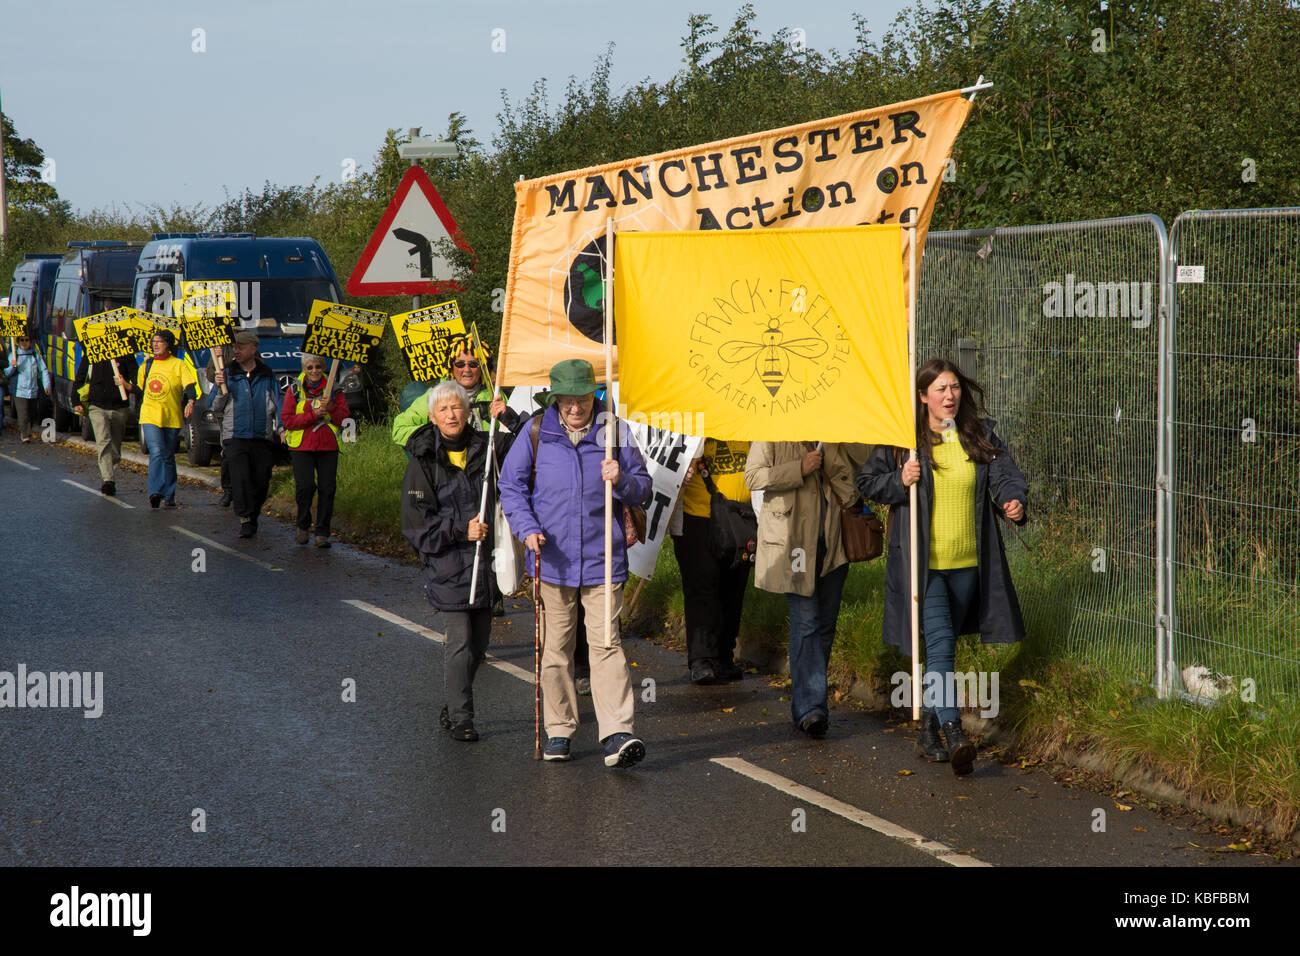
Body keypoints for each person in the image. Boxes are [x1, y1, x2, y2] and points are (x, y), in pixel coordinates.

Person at [857, 358, 1029, 776]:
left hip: (970, 565)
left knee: (943, 650)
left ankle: (928, 730)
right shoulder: (905, 442)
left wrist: (1014, 501)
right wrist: (900, 479)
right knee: (941, 648)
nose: (949, 396)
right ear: (923, 396)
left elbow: (1005, 474)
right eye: (940, 389)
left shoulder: (979, 433)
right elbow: (866, 483)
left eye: (954, 388)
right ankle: (955, 732)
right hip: (925, 566)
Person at [498, 359, 651, 767]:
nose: (574, 408)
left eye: (582, 399)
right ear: (555, 399)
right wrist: (526, 528)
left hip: (603, 561)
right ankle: (560, 730)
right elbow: (510, 486)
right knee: (556, 651)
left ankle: (618, 732)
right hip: (552, 561)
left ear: (593, 396)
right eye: (566, 400)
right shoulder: (536, 431)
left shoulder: (614, 431)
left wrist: (622, 479)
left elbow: (643, 488)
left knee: (606, 645)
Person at [401, 381, 505, 742]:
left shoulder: (487, 447)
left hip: (485, 564)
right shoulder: (423, 462)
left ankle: (453, 699)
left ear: (468, 412)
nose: (451, 415)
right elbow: (416, 526)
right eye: (443, 410)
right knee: (460, 642)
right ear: (432, 417)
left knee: (479, 643)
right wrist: (462, 530)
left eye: (457, 407)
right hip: (447, 565)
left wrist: (508, 416)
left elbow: (529, 446)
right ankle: (463, 718)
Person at [745, 439, 860, 738]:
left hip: (834, 542)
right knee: (806, 623)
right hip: (793, 546)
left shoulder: (835, 427)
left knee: (825, 626)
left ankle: (807, 698)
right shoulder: (771, 427)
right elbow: (754, 476)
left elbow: (862, 463)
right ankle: (812, 708)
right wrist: (799, 467)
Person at [674, 438, 753, 684]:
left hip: (740, 515)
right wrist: (682, 472)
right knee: (702, 585)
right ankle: (701, 659)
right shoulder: (691, 419)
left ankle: (723, 658)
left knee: (734, 587)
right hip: (696, 517)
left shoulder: (747, 415)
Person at [212, 331, 281, 538]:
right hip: (235, 435)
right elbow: (214, 407)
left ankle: (253, 512)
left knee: (261, 480)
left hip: (261, 436)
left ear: (253, 348)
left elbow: (279, 402)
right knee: (240, 478)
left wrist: (283, 428)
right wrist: (220, 388)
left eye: (241, 347)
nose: (236, 351)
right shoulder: (227, 373)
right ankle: (246, 519)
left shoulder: (267, 374)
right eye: (235, 347)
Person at [391, 337, 518, 450]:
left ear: (483, 368)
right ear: (451, 367)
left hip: (487, 466)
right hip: (448, 469)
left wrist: (506, 416)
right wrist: (438, 438)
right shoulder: (436, 396)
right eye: (460, 364)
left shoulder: (495, 396)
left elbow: (513, 434)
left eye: (474, 364)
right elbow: (399, 429)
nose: (467, 370)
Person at [281, 353, 349, 547]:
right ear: (304, 369)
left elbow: (344, 419)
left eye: (318, 367)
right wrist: (312, 415)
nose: (314, 371)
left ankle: (322, 533)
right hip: (301, 446)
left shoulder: (334, 389)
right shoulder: (294, 389)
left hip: (328, 446)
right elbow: (287, 420)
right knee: (306, 487)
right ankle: (302, 525)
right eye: (309, 367)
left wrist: (332, 408)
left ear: (324, 368)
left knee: (327, 489)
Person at [136, 329, 197, 507]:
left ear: (168, 344)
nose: (155, 344)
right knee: (157, 451)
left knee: (169, 456)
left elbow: (190, 385)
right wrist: (124, 385)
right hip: (149, 415)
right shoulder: (146, 365)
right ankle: (155, 492)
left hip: (171, 417)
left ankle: (169, 494)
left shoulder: (178, 364)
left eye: (160, 341)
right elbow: (139, 390)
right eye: (153, 341)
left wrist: (191, 401)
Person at [72, 350, 138, 495]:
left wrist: (128, 385)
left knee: (115, 445)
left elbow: (136, 378)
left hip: (120, 407)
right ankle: (108, 480)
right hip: (97, 406)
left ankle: (110, 473)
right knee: (103, 440)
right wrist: (75, 400)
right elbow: (81, 376)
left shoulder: (126, 353)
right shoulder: (92, 352)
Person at [5, 333, 52, 443]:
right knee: (23, 413)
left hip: (33, 389)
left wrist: (47, 385)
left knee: (31, 413)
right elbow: (7, 373)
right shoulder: (14, 354)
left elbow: (43, 370)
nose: (24, 342)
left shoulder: (35, 354)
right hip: (19, 390)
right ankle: (25, 434)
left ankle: (27, 430)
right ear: (18, 342)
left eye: (27, 340)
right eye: (22, 340)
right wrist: (13, 365)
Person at [205, 343, 236, 507]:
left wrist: (227, 358)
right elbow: (211, 375)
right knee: (227, 451)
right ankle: (228, 489)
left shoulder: (244, 343)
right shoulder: (219, 344)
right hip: (224, 405)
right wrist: (217, 357)